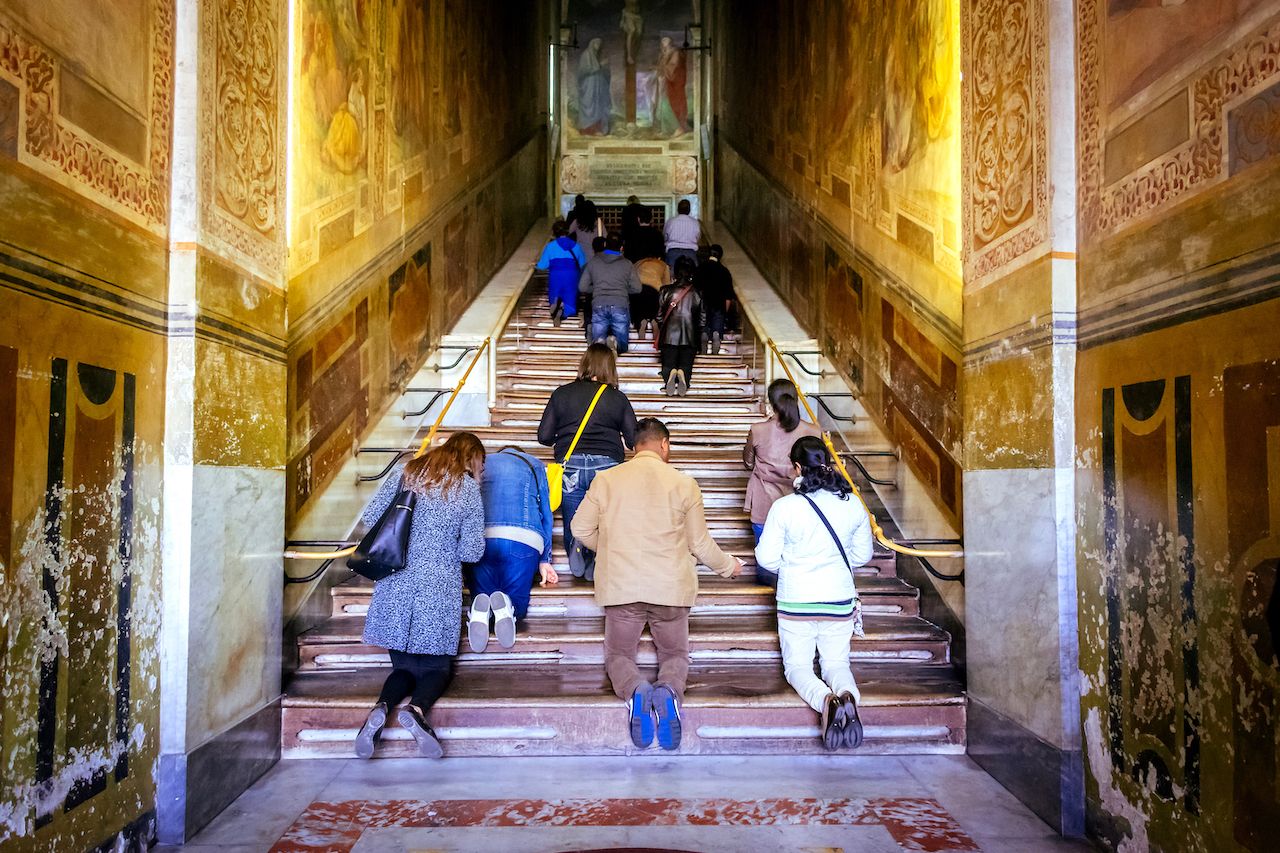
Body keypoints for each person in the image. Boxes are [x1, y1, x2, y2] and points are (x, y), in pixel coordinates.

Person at [571, 419, 743, 751]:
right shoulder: (684, 484)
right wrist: (729, 567)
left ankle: (636, 689)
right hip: (671, 588)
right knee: (676, 653)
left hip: (622, 588)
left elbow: (580, 528)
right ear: (664, 445)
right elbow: (700, 544)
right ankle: (667, 691)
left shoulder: (606, 480)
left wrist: (610, 548)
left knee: (619, 654)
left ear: (633, 447)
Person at [354, 432, 486, 759]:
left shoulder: (408, 471)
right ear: (471, 458)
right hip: (437, 585)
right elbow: (471, 551)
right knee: (437, 669)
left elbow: (372, 517)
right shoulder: (466, 488)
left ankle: (381, 707)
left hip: (395, 578)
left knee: (402, 668)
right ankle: (416, 710)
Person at [754, 436, 874, 751]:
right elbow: (861, 556)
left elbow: (765, 559)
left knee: (798, 668)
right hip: (839, 599)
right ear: (828, 463)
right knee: (837, 663)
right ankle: (848, 696)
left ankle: (826, 702)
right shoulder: (853, 504)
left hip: (797, 600)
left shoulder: (785, 507)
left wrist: (794, 567)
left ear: (796, 466)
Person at [537, 344, 638, 580]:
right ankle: (599, 556)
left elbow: (543, 436)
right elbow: (633, 440)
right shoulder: (617, 398)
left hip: (570, 465)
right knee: (605, 515)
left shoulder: (561, 393)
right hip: (607, 468)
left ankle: (578, 549)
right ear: (610, 368)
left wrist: (563, 435)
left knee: (574, 516)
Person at [466, 446, 558, 653]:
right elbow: (546, 512)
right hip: (524, 539)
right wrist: (545, 559)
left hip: (482, 537)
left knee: (483, 591)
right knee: (517, 601)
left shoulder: (481, 461)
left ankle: (479, 612)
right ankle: (511, 605)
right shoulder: (534, 464)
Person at [743, 379, 823, 580]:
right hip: (802, 503)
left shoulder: (758, 430)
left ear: (771, 402)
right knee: (799, 553)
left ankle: (767, 594)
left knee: (766, 557)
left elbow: (748, 463)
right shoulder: (814, 431)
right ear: (795, 399)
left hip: (764, 502)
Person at [579, 232, 642, 353]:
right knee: (622, 347)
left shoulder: (594, 262)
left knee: (598, 347)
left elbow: (582, 287)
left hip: (599, 304)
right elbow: (637, 288)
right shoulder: (627, 264)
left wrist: (598, 288)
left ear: (605, 244)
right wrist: (621, 289)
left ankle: (600, 341)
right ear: (622, 247)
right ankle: (615, 343)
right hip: (620, 304)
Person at [657, 256, 703, 397]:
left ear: (675, 273)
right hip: (689, 336)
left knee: (668, 364)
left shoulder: (665, 290)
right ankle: (683, 373)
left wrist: (663, 328)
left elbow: (659, 316)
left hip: (669, 336)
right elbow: (702, 319)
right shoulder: (697, 292)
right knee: (687, 364)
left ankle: (670, 373)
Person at [536, 220, 588, 327]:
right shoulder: (576, 246)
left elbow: (542, 266)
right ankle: (564, 313)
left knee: (554, 295)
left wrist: (535, 265)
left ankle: (555, 308)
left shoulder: (550, 246)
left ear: (554, 232)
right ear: (567, 231)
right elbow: (583, 264)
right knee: (570, 301)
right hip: (572, 276)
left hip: (555, 275)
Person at [695, 244, 735, 354]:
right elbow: (728, 295)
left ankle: (704, 335)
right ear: (720, 256)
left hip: (703, 303)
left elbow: (695, 289)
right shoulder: (724, 271)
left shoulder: (700, 268)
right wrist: (725, 311)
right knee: (717, 329)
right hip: (719, 304)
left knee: (703, 327)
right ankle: (715, 341)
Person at [577, 38, 612, 135]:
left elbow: (599, 70)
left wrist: (604, 69)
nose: (598, 45)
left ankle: (597, 129)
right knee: (589, 105)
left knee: (598, 106)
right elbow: (585, 70)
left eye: (600, 44)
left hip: (597, 87)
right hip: (589, 86)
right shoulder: (586, 55)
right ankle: (587, 129)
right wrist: (600, 65)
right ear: (592, 43)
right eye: (596, 43)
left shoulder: (595, 56)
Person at [632, 254, 669, 340]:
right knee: (655, 321)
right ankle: (655, 345)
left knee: (640, 320)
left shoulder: (638, 263)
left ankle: (641, 325)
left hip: (640, 291)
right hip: (655, 292)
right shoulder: (662, 264)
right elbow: (667, 284)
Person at [663, 199, 701, 271]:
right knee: (693, 278)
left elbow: (665, 236)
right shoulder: (695, 222)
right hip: (690, 253)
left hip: (673, 252)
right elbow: (698, 237)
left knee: (671, 278)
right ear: (689, 210)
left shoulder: (670, 221)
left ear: (678, 209)